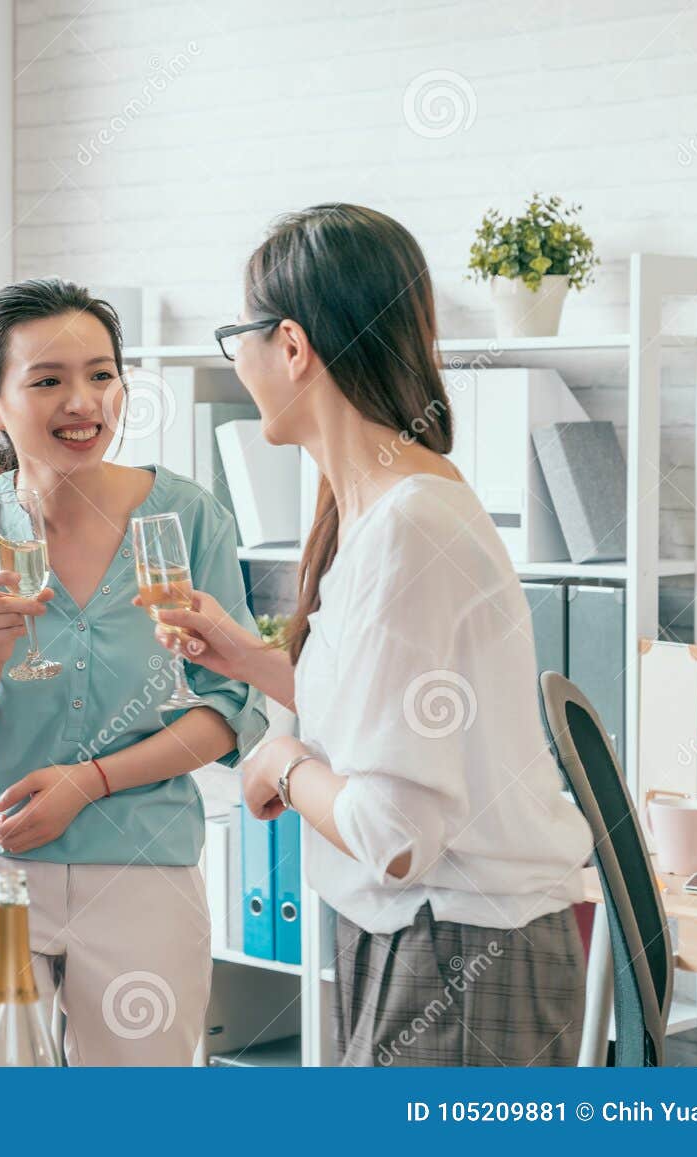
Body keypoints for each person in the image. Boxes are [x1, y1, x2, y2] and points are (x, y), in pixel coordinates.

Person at [153, 204, 594, 1066]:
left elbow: (396, 833)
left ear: (291, 345)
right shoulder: (382, 504)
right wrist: (250, 661)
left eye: (237, 334)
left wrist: (280, 763)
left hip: (460, 947)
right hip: (423, 936)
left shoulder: (409, 525)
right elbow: (384, 711)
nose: (236, 360)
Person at [0, 277, 268, 1065]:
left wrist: (89, 781)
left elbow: (225, 712)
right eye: (48, 380)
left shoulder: (189, 517)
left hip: (142, 867)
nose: (84, 401)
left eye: (101, 375)